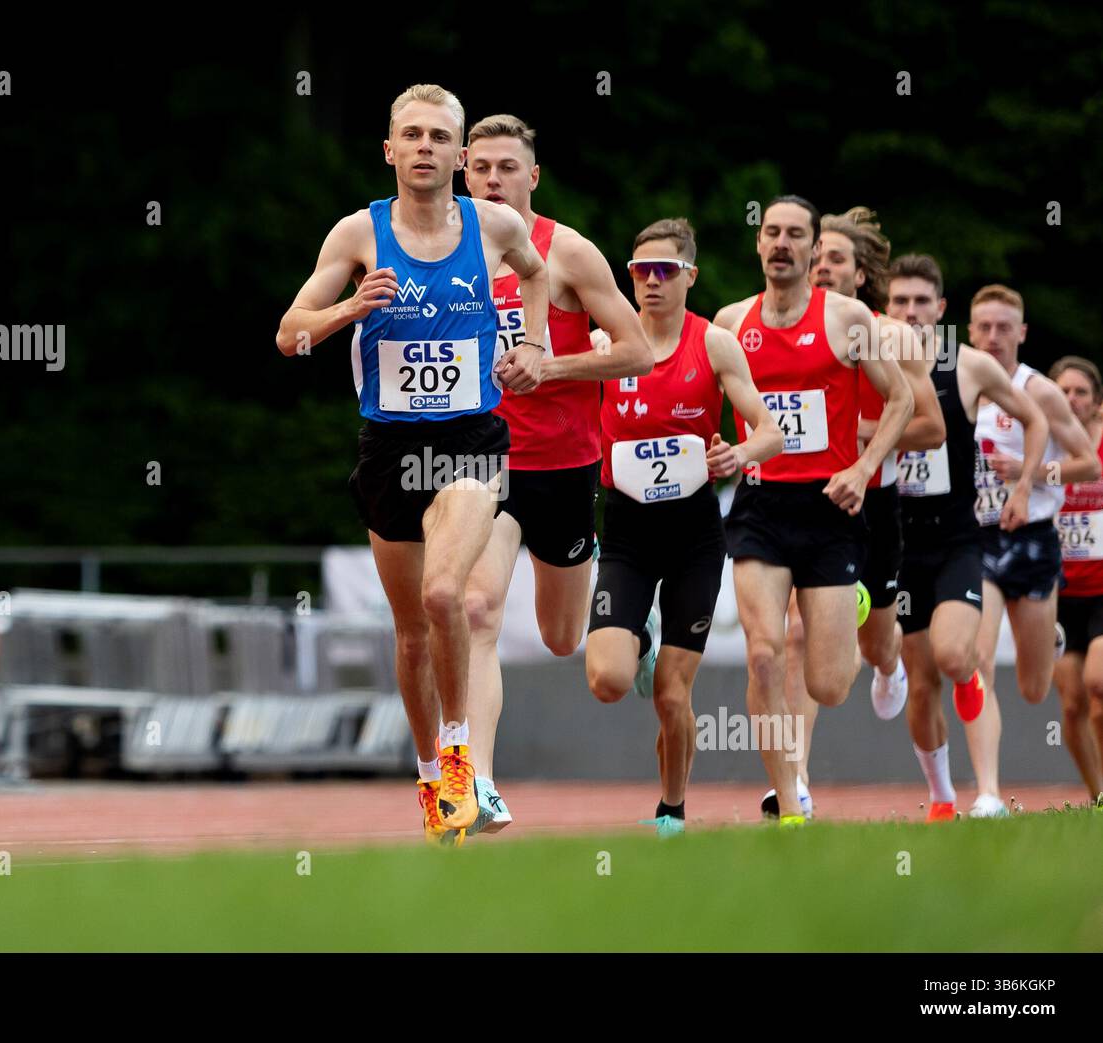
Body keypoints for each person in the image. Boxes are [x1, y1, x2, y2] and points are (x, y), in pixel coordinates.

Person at [276, 84, 550, 845]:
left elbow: (535, 273)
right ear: (390, 150)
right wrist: (349, 311)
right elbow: (289, 334)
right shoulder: (356, 235)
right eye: (412, 135)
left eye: (439, 136)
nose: (425, 147)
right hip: (387, 448)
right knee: (408, 635)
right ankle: (430, 778)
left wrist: (531, 343)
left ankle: (462, 756)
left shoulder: (491, 223)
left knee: (445, 596)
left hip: (471, 439)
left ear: (460, 157)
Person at [459, 113, 652, 836]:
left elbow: (638, 352)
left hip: (566, 469)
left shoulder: (567, 253)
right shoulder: (443, 254)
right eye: (480, 168)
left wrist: (553, 365)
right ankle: (476, 781)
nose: (493, 180)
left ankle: (629, 600)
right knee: (476, 609)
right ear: (462, 173)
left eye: (507, 167)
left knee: (564, 636)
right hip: (482, 462)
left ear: (532, 176)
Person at [713, 195, 913, 825]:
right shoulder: (730, 319)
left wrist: (860, 467)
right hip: (760, 506)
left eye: (795, 235)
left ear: (811, 249)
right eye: (771, 232)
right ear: (758, 242)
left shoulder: (848, 317)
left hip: (829, 509)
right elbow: (702, 395)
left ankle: (848, 605)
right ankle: (790, 795)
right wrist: (722, 448)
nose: (781, 243)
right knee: (766, 652)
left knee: (828, 682)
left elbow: (902, 399)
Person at [586, 218, 781, 835]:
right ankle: (637, 636)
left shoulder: (716, 345)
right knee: (609, 680)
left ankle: (670, 812)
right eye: (640, 271)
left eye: (664, 271)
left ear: (689, 277)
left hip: (696, 535)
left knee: (672, 694)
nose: (650, 282)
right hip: (626, 531)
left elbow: (770, 431)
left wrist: (739, 456)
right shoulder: (603, 345)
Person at [762, 208, 945, 818]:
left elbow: (931, 427)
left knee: (875, 644)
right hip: (805, 501)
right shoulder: (776, 327)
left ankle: (889, 667)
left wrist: (860, 439)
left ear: (860, 273)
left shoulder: (891, 336)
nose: (822, 267)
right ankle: (797, 780)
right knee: (794, 636)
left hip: (875, 502)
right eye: (818, 258)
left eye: (835, 259)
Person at [886, 256, 1047, 821]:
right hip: (897, 547)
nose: (910, 312)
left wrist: (1025, 486)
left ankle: (985, 785)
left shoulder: (970, 365)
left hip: (957, 540)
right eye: (900, 301)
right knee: (921, 683)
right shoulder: (871, 361)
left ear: (941, 309)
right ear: (885, 307)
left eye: (921, 302)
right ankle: (942, 797)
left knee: (956, 655)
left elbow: (1034, 417)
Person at [966, 284, 1099, 817]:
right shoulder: (959, 386)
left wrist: (1032, 472)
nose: (994, 337)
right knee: (975, 659)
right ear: (970, 332)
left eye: (1004, 328)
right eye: (984, 327)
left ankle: (1044, 639)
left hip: (1036, 541)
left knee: (1034, 685)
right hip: (978, 539)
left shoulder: (1039, 392)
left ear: (1021, 333)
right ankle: (989, 793)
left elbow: (1088, 463)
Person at [1048, 356, 1103, 808]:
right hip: (1058, 593)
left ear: (1097, 401)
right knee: (1071, 704)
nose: (1071, 399)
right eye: (1063, 391)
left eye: (1081, 392)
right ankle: (1098, 796)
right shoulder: (1041, 441)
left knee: (1099, 686)